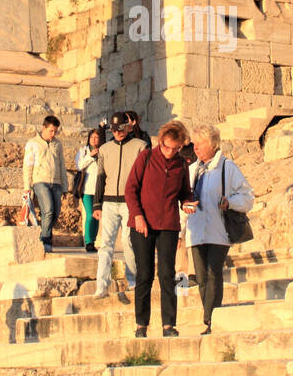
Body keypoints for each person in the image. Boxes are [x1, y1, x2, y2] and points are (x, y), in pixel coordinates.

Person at [124, 120, 197, 337]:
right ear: (160, 141)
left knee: (167, 274)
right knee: (144, 274)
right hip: (142, 224)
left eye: (175, 148)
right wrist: (137, 215)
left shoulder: (181, 164)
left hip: (168, 225)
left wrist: (187, 202)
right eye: (166, 146)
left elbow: (185, 192)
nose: (170, 152)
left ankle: (168, 324)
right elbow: (130, 189)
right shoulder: (145, 158)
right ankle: (141, 324)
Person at [185, 124, 254, 335]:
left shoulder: (227, 168)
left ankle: (211, 319)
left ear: (213, 145)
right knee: (201, 277)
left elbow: (247, 197)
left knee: (213, 273)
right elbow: (183, 199)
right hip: (195, 230)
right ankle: (210, 317)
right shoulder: (191, 170)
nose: (196, 148)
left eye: (200, 144)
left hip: (218, 230)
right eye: (195, 144)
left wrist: (230, 203)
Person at [92, 112, 147, 298]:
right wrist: (96, 204)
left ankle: (132, 281)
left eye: (121, 129)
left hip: (130, 202)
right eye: (114, 130)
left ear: (128, 127)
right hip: (108, 201)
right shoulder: (105, 149)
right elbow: (100, 177)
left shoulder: (140, 146)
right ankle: (102, 285)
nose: (117, 133)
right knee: (106, 244)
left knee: (128, 242)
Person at [23, 115, 67, 254]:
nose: (53, 134)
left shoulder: (57, 144)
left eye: (55, 131)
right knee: (48, 210)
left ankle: (43, 233)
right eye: (51, 131)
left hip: (56, 182)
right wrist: (27, 187)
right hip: (40, 181)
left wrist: (65, 186)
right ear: (44, 128)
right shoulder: (32, 143)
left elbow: (61, 165)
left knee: (55, 212)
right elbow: (27, 166)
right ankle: (46, 240)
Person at [74, 128, 103, 253]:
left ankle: (93, 241)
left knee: (97, 217)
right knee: (90, 215)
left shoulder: (103, 150)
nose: (94, 140)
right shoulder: (83, 151)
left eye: (97, 137)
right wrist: (90, 157)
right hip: (87, 189)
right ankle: (88, 241)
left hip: (99, 189)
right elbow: (79, 165)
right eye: (92, 137)